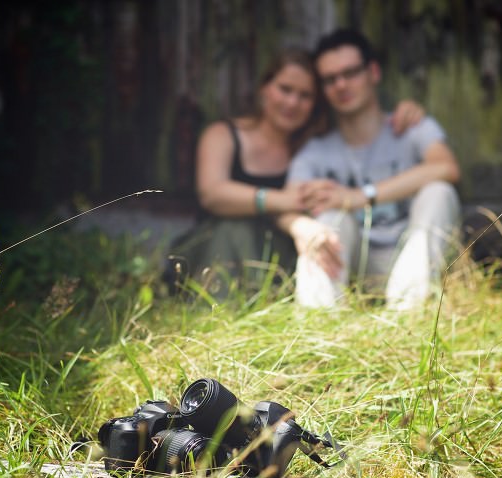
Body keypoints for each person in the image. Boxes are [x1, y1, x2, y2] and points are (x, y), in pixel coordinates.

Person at [165, 46, 426, 297]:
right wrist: (287, 202)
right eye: (285, 89)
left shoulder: (313, 149)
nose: (292, 102)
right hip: (216, 254)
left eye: (305, 96)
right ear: (265, 88)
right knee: (234, 231)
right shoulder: (224, 135)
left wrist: (409, 111)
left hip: (282, 255)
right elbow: (213, 194)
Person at [276, 29, 462, 310]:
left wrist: (359, 196)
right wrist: (301, 227)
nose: (341, 85)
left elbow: (446, 167)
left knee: (439, 192)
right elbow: (287, 202)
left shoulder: (410, 127)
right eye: (330, 79)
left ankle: (408, 312)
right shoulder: (316, 151)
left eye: (350, 73)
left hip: (414, 255)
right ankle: (319, 323)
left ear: (373, 72)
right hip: (354, 262)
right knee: (328, 217)